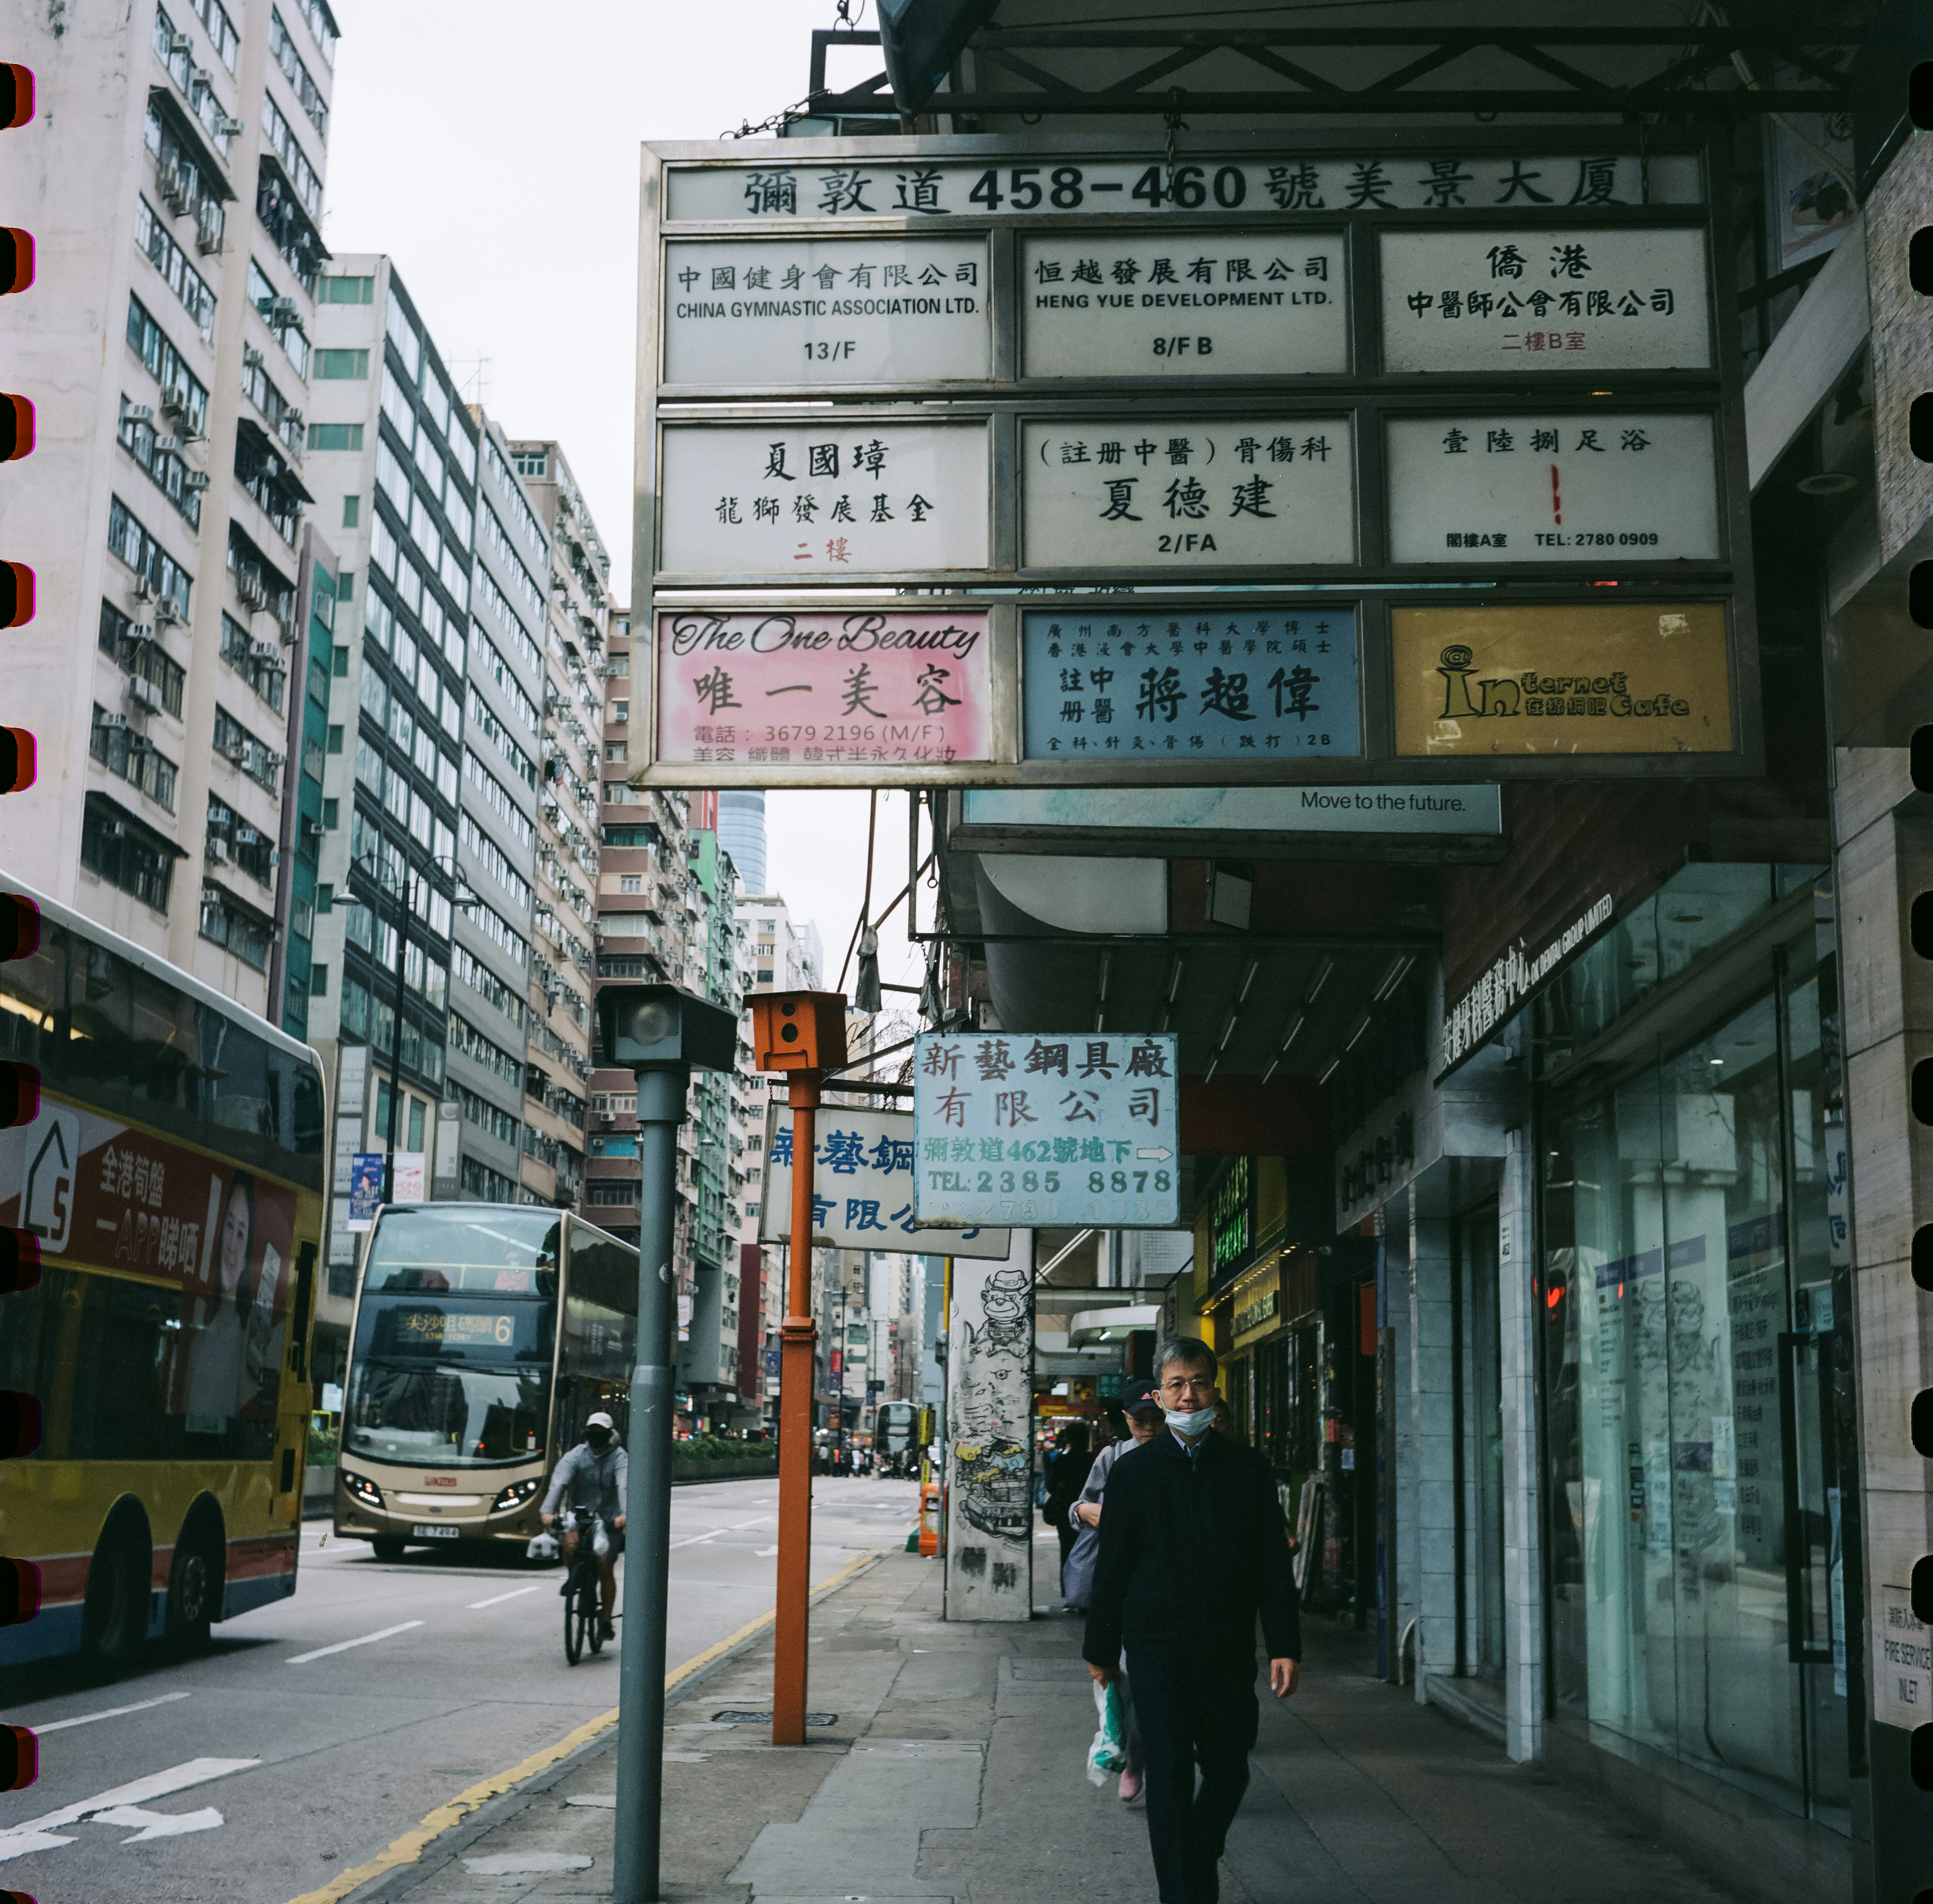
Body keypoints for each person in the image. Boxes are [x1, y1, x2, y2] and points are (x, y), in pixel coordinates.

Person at [1083, 1339, 1300, 1904]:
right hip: (1156, 1649)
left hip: (1228, 1647)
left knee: (1231, 1767)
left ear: (1214, 1389)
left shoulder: (1248, 1470)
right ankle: (1184, 1893)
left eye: (1199, 1382)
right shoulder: (1133, 1473)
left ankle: (1196, 1851)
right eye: (1177, 1384)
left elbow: (1271, 1564)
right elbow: (1113, 1568)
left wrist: (1284, 1643)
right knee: (1171, 1778)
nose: (1189, 1394)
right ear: (1159, 1394)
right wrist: (1100, 1652)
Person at [1066, 1376, 1164, 1802]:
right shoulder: (1113, 1457)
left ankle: (1150, 1758)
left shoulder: (1179, 1455)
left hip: (1168, 1588)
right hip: (1122, 1586)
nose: (1147, 1426)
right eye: (1139, 1420)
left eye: (1154, 1418)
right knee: (1124, 1682)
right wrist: (1086, 1511)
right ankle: (1134, 1758)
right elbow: (1078, 1508)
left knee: (1157, 1686)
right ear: (1125, 1419)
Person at [540, 1410, 627, 1641]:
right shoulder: (575, 1456)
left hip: (609, 1521)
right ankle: (574, 1577)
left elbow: (624, 1487)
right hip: (579, 1519)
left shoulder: (620, 1457)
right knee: (570, 1543)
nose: (596, 1436)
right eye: (592, 1432)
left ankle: (606, 1621)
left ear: (609, 1435)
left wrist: (625, 1516)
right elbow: (559, 1484)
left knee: (604, 1564)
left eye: (601, 1432)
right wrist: (548, 1513)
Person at [1042, 1423, 1094, 1575]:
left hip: (1065, 1512)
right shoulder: (1093, 1459)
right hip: (1091, 1512)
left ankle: (1069, 1590)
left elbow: (1051, 1487)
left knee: (1067, 1551)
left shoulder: (1062, 1461)